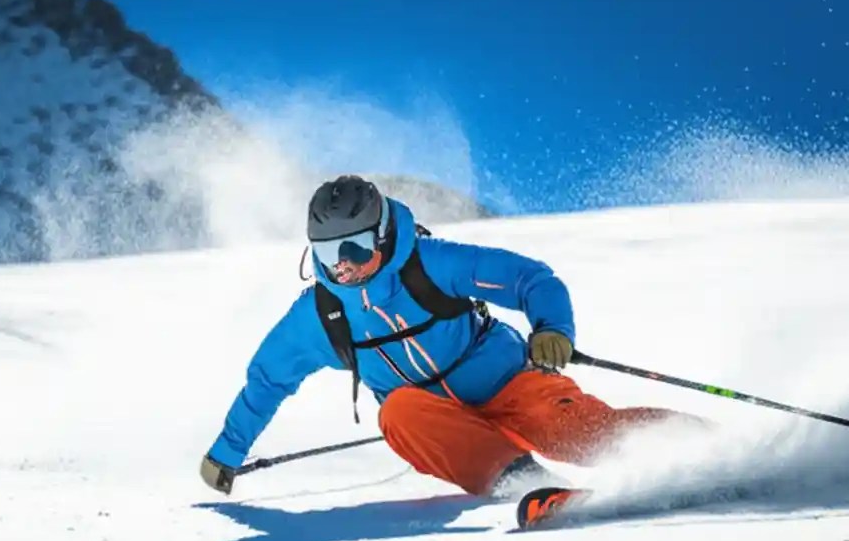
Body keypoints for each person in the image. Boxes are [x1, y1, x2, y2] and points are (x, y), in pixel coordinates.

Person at [199, 174, 695, 497]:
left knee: (579, 433)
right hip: (438, 425)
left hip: (510, 385)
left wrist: (552, 330)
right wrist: (226, 453)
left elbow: (531, 280)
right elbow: (267, 379)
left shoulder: (430, 265)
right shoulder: (321, 314)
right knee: (397, 411)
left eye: (356, 246)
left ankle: (701, 452)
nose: (344, 265)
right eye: (329, 254)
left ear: (384, 234)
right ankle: (529, 488)